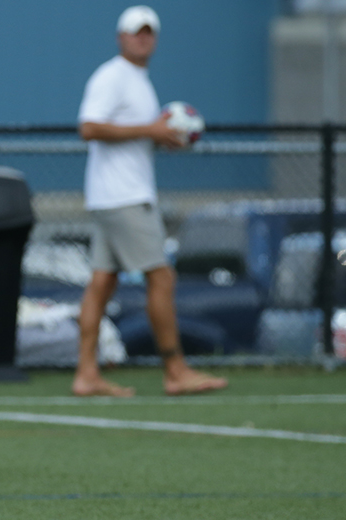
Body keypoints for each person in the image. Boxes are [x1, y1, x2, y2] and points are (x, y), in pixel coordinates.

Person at [73, 6, 228, 397]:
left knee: (101, 283)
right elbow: (89, 127)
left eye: (149, 33)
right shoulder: (113, 76)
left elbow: (130, 135)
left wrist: (157, 138)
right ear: (120, 37)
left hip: (113, 195)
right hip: (124, 197)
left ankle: (86, 374)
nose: (142, 38)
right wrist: (152, 129)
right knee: (161, 276)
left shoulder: (138, 80)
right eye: (135, 32)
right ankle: (175, 369)